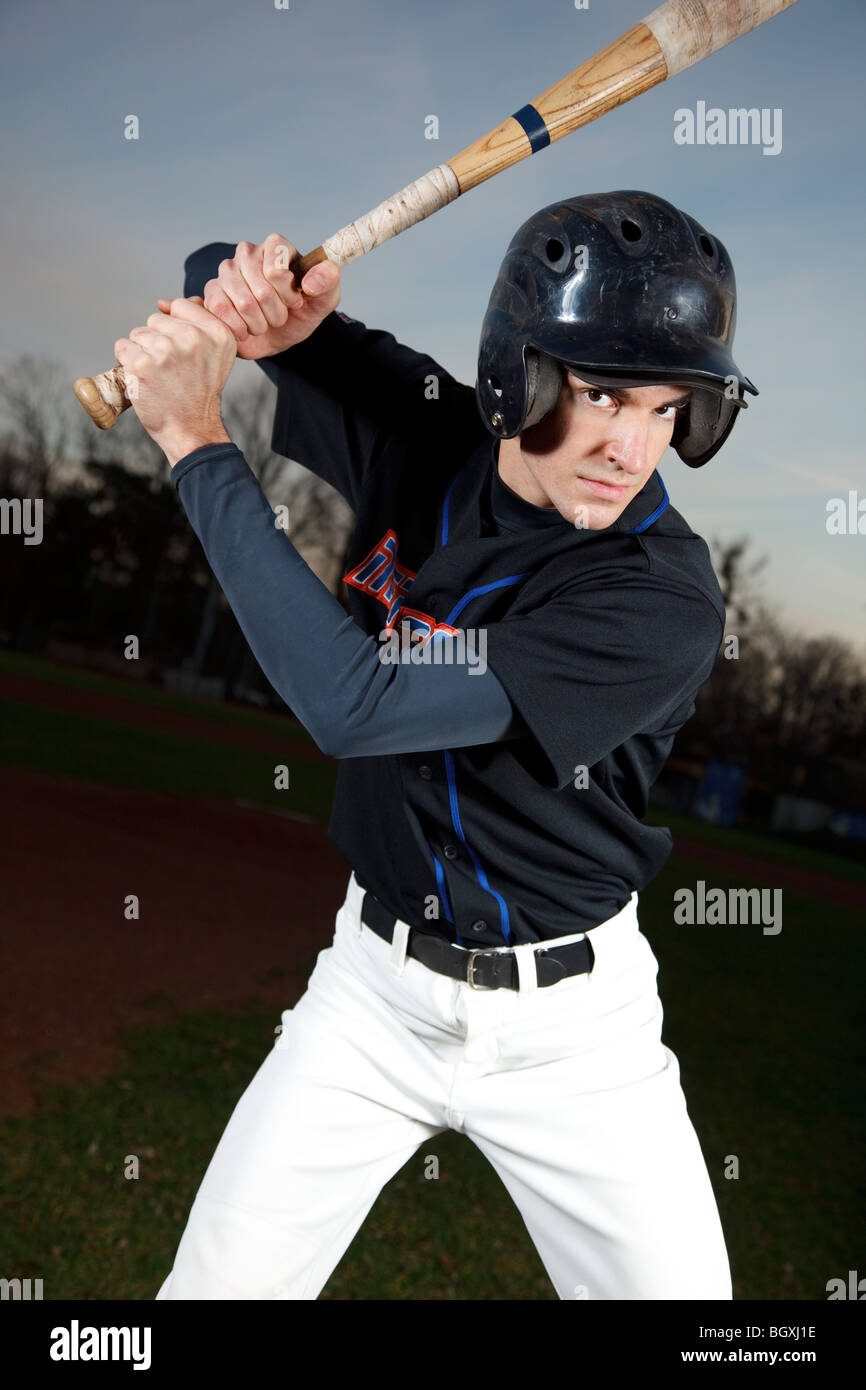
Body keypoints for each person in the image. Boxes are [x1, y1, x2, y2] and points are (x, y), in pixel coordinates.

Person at [114, 189, 757, 1300]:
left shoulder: (658, 599)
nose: (627, 446)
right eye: (601, 390)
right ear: (519, 375)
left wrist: (195, 443)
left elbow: (353, 702)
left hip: (573, 1039)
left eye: (664, 407)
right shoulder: (429, 428)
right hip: (372, 998)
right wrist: (265, 290)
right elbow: (213, 267)